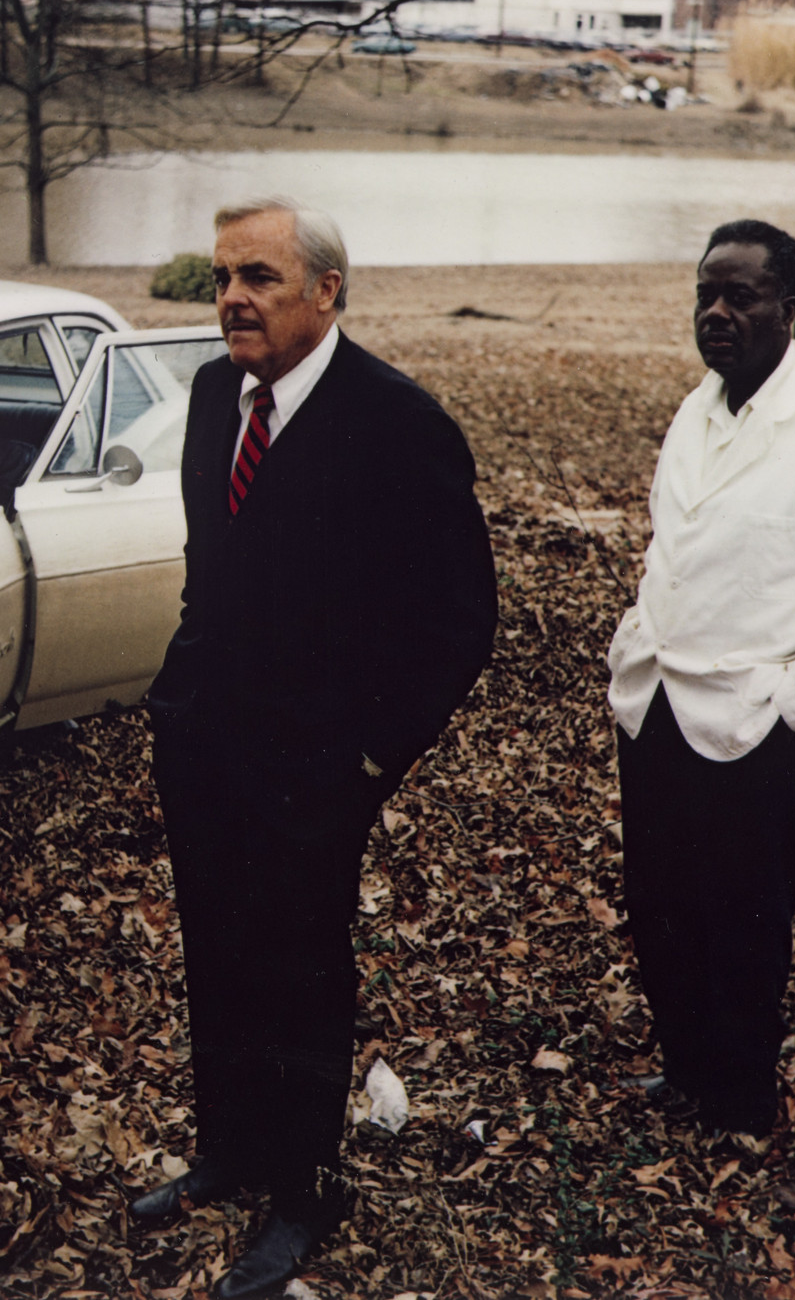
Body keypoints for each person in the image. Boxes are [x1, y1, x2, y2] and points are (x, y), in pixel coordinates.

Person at [133, 197, 497, 1298]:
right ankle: (233, 1149)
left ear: (326, 291)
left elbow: (459, 620)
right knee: (218, 950)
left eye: (259, 277)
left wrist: (371, 758)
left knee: (298, 969)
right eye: (220, 277)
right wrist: (178, 701)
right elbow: (216, 564)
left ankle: (303, 1188)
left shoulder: (396, 423)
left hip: (317, 768)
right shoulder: (211, 397)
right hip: (206, 746)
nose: (232, 299)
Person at [607, 219, 795, 1139]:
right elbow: (674, 545)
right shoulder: (697, 411)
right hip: (659, 702)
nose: (717, 312)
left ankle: (739, 1095)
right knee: (660, 905)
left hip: (759, 722)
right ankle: (688, 1067)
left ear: (789, 308)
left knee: (741, 917)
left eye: (741, 296)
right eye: (707, 293)